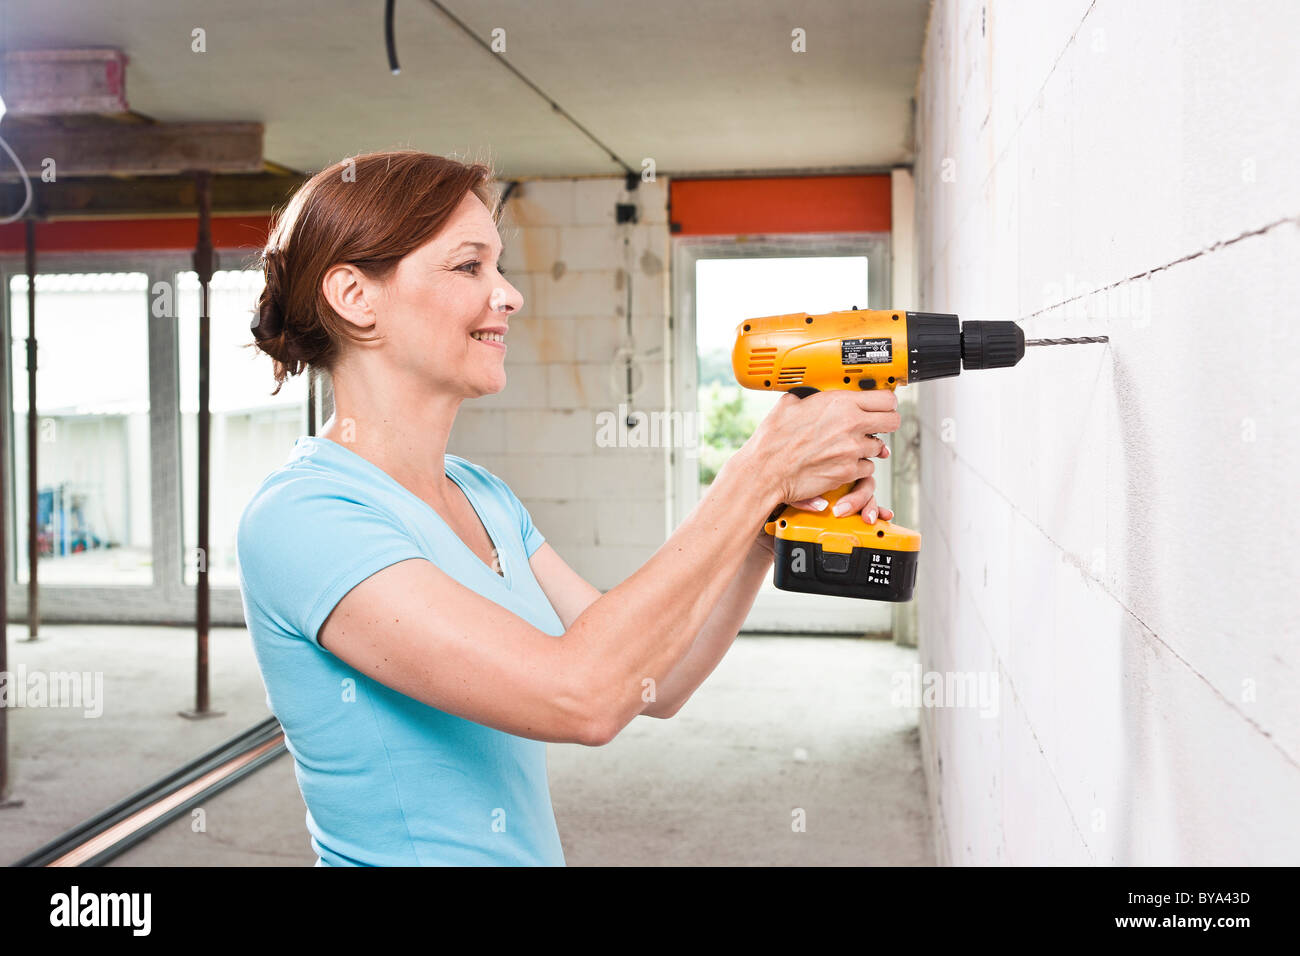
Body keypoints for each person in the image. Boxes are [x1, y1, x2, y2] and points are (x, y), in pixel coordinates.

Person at [236, 149, 899, 866]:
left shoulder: (482, 495)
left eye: (498, 266)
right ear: (355, 296)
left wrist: (761, 528)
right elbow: (582, 696)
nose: (510, 295)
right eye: (469, 267)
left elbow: (656, 681)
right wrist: (757, 470)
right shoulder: (305, 517)